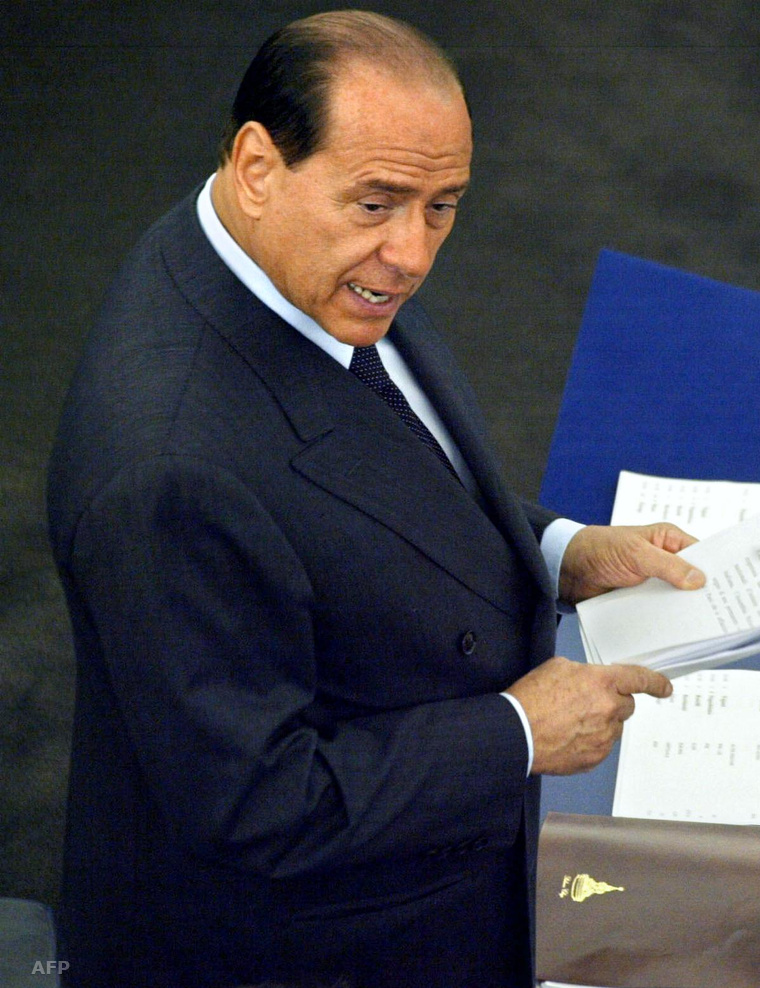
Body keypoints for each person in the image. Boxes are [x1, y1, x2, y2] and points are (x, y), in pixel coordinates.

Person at [46, 11, 704, 987]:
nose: (412, 253)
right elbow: (257, 805)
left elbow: (382, 482)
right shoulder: (170, 469)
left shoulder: (289, 262)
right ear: (258, 166)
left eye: (443, 206)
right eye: (378, 203)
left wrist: (560, 550)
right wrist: (517, 732)